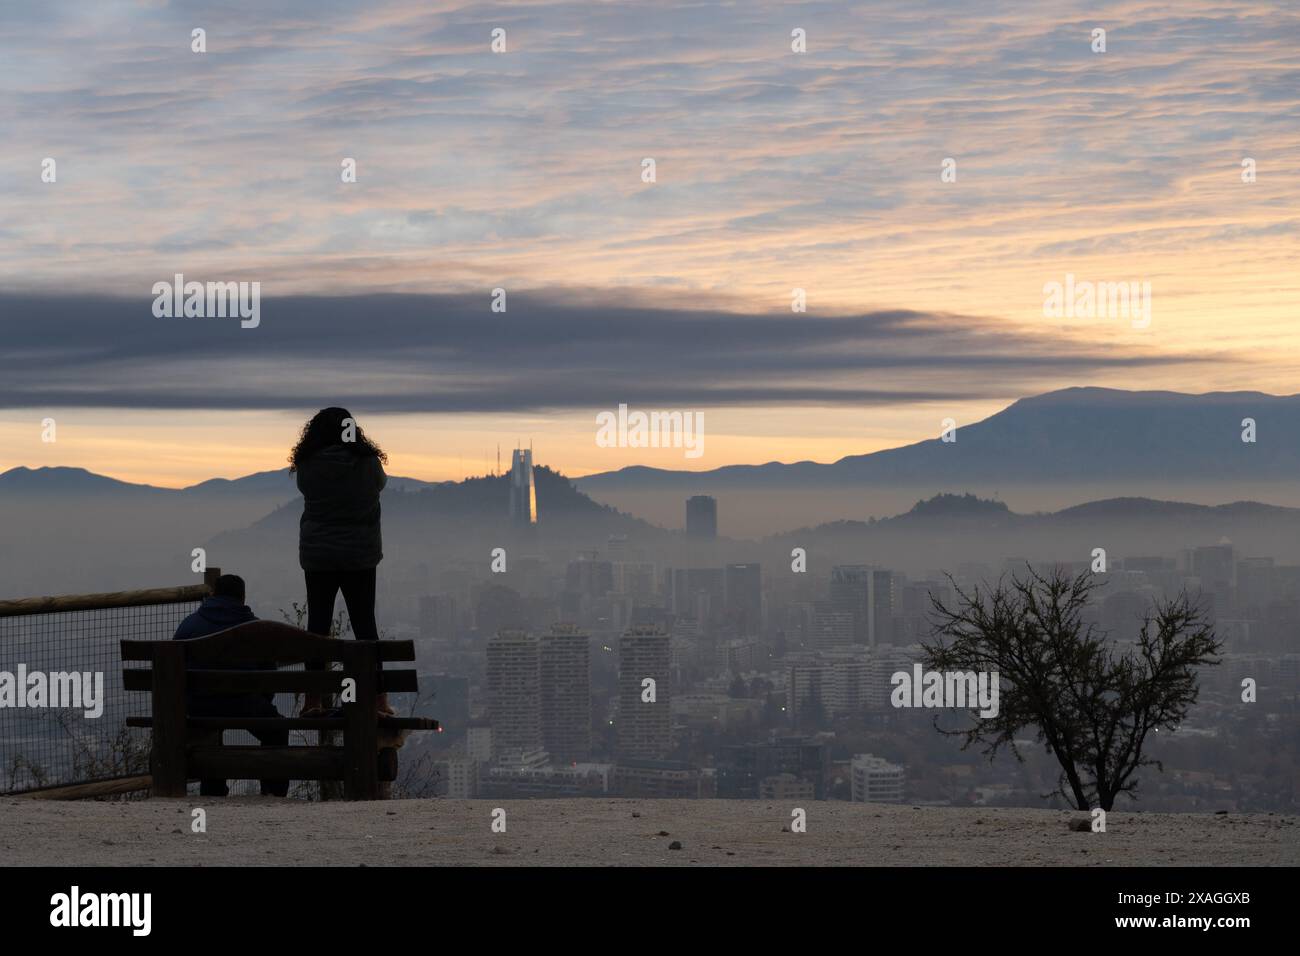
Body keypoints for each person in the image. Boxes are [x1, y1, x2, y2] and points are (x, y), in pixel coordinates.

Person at [289, 406, 394, 715]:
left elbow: (304, 488)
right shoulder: (368, 464)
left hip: (318, 557)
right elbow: (381, 485)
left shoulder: (308, 466)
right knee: (365, 627)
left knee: (317, 627)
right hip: (360, 557)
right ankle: (378, 700)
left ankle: (313, 700)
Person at [173, 573, 289, 797]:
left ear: (213, 594)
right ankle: (273, 792)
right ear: (242, 598)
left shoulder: (189, 625)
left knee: (208, 734)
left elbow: (175, 677)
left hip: (197, 706)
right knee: (277, 729)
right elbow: (269, 679)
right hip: (244, 704)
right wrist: (258, 703)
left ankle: (213, 789)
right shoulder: (256, 629)